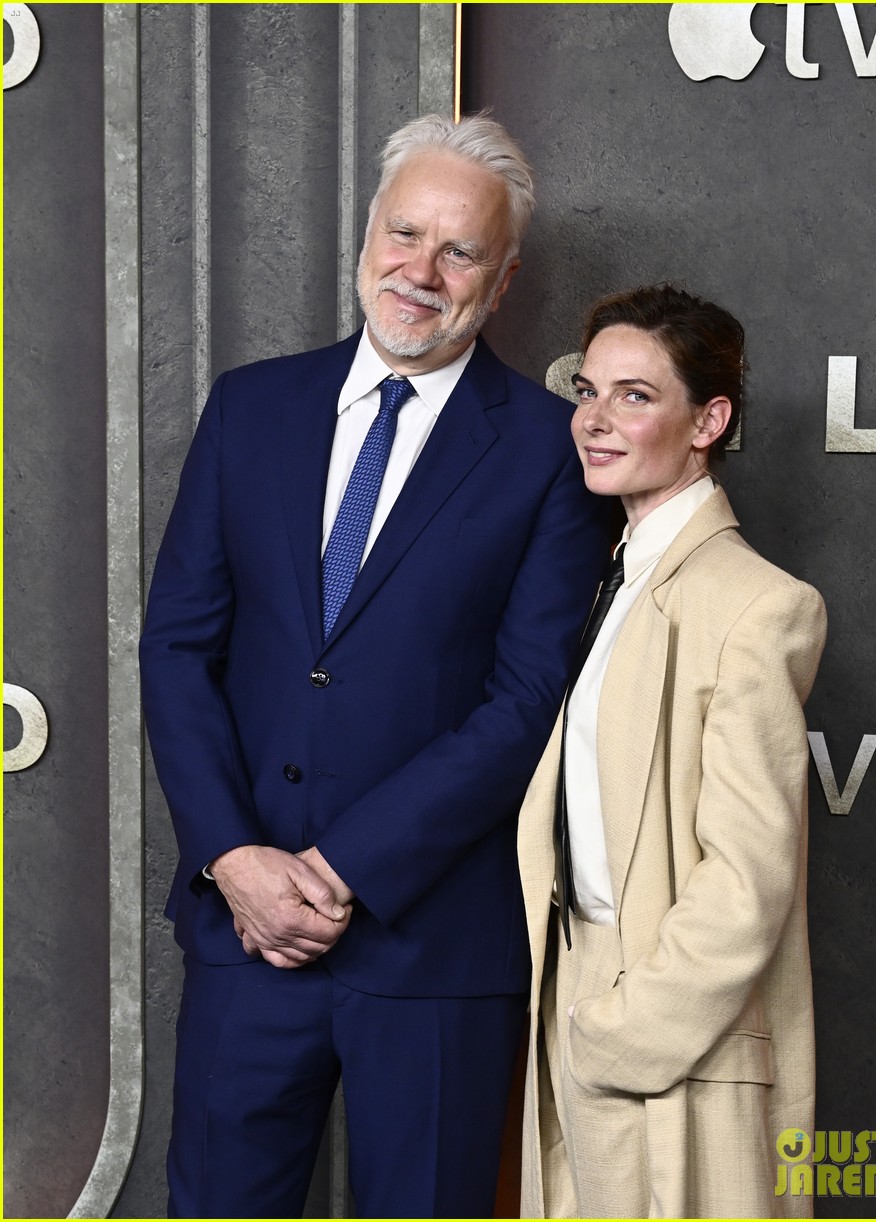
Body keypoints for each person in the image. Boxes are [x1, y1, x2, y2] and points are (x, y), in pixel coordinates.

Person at [139, 112, 609, 1219]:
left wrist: (344, 868)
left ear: (502, 281)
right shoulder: (249, 409)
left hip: (435, 952)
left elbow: (526, 697)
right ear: (366, 237)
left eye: (460, 252)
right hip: (245, 938)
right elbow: (177, 648)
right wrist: (237, 861)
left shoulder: (549, 451)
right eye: (406, 234)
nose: (421, 272)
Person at [517, 284, 827, 1219]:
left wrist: (622, 1032)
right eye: (587, 392)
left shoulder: (756, 604)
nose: (595, 421)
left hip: (671, 1033)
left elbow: (746, 881)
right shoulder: (614, 574)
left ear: (710, 419)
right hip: (575, 990)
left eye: (634, 396)